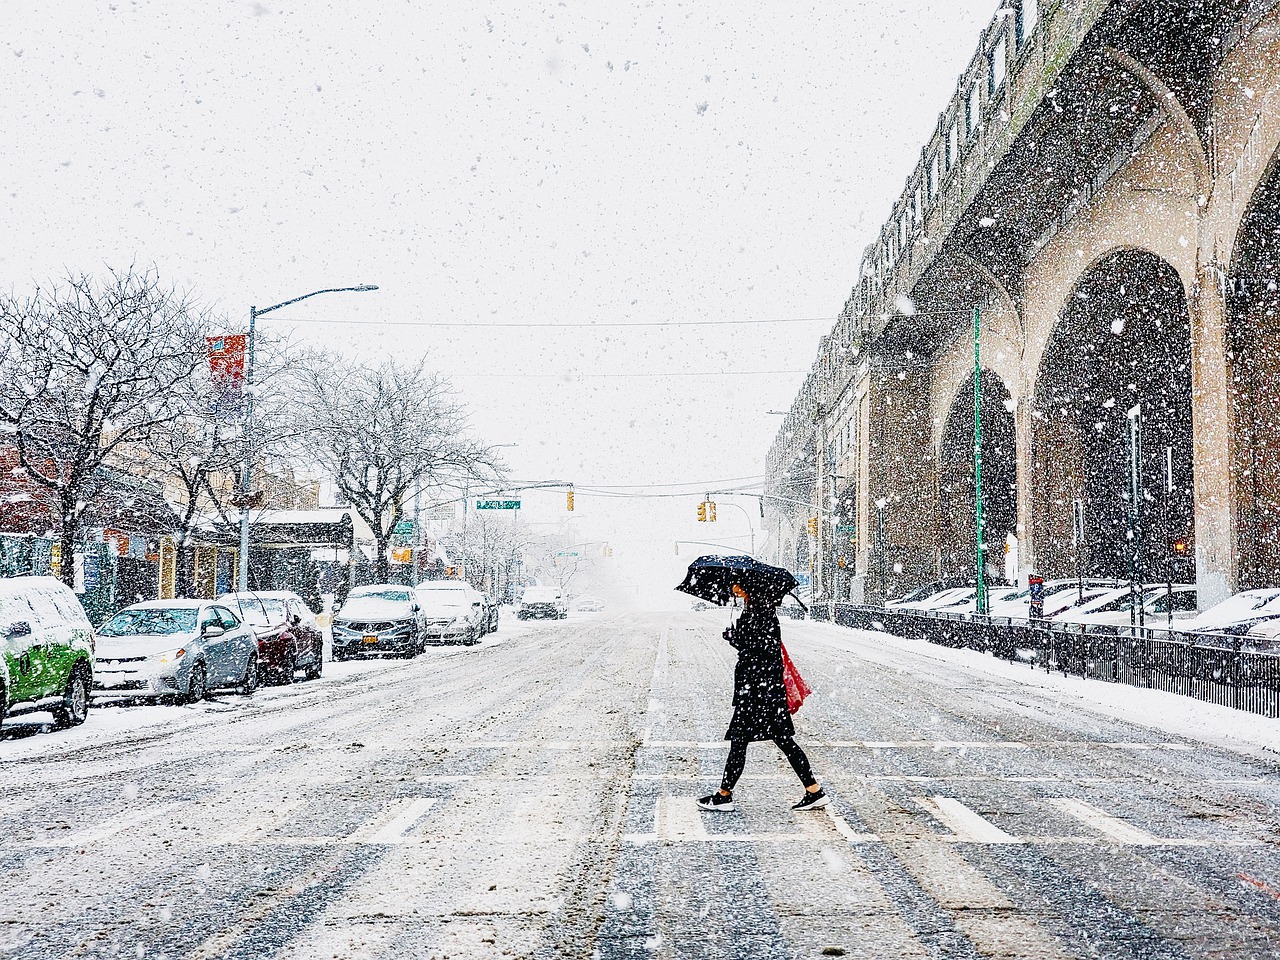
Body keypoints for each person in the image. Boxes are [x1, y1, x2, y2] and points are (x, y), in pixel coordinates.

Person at [697, 582, 827, 812]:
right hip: (763, 690)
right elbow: (758, 647)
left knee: (742, 741)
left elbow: (760, 650)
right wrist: (738, 637)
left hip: (759, 692)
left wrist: (735, 638)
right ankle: (813, 790)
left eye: (736, 584)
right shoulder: (756, 609)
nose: (732, 588)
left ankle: (724, 795)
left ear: (747, 586)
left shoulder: (760, 611)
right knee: (780, 740)